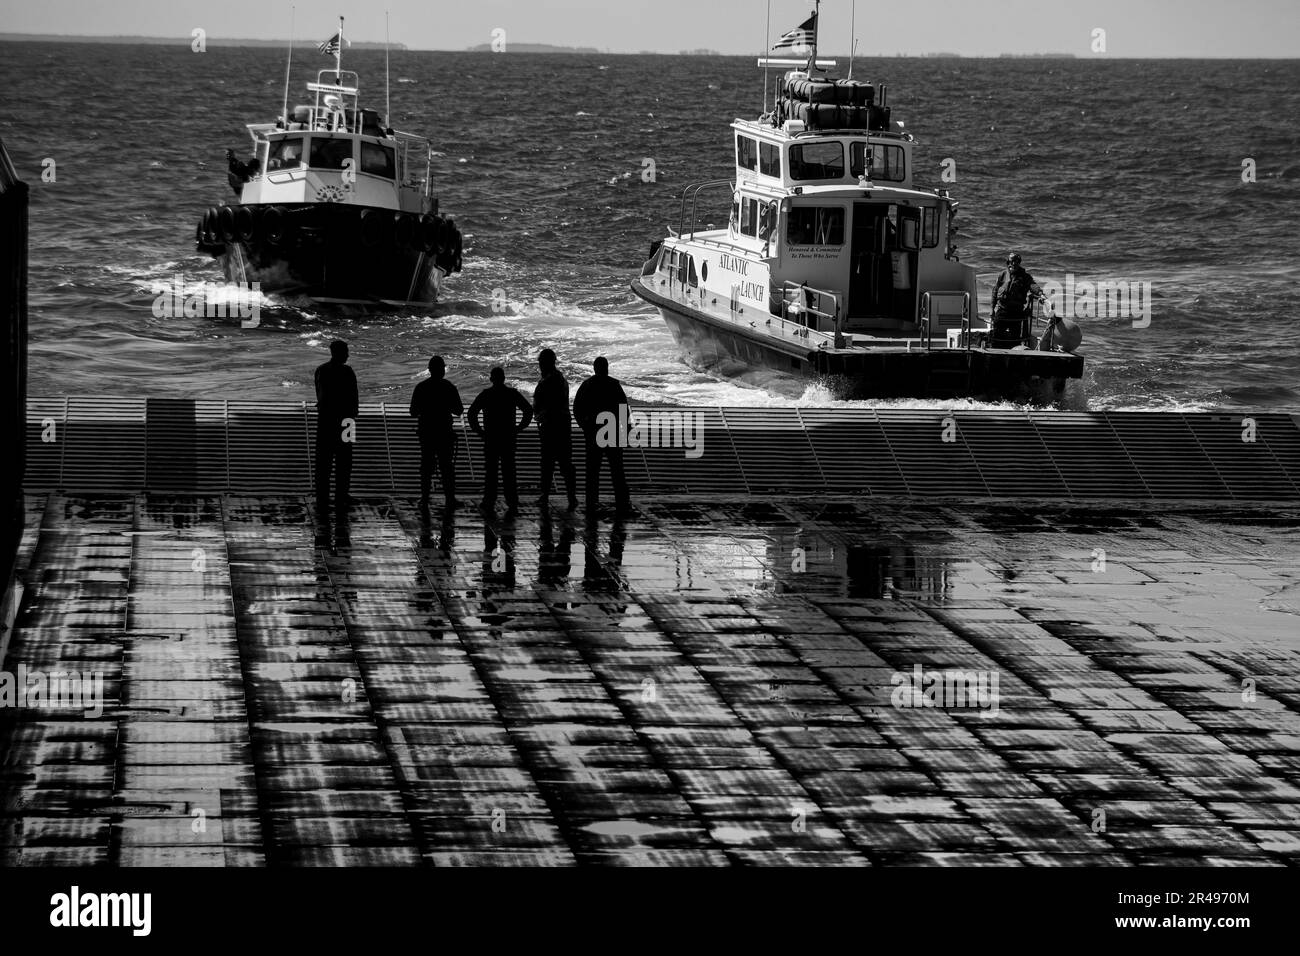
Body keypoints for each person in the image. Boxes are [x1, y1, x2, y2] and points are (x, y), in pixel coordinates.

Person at [467, 367, 533, 516]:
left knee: (491, 471)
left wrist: (480, 431)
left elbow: (472, 414)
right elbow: (528, 410)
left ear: (491, 379)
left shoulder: (486, 394)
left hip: (491, 438)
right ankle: (512, 501)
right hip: (508, 437)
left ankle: (489, 499)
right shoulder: (512, 394)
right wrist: (519, 428)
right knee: (509, 471)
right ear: (504, 378)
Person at [572, 356, 631, 513]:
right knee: (617, 470)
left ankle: (591, 503)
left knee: (592, 471)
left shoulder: (587, 385)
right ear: (606, 368)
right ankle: (623, 502)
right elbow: (623, 409)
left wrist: (585, 427)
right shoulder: (614, 384)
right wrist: (626, 431)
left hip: (594, 432)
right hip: (612, 432)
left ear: (594, 368)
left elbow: (577, 409)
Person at [409, 355, 463, 510]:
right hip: (444, 432)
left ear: (429, 370)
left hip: (427, 432)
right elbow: (458, 410)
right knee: (446, 466)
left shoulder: (421, 387)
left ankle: (424, 498)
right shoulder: (449, 387)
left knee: (426, 466)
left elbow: (413, 412)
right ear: (443, 370)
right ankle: (450, 499)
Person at [532, 348, 579, 511]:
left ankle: (545, 495)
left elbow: (540, 405)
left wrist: (540, 415)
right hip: (563, 427)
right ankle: (571, 496)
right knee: (565, 463)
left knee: (547, 463)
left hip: (551, 427)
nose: (539, 366)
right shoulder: (561, 380)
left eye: (541, 363)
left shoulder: (547, 382)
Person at [314, 340, 359, 510]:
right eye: (346, 352)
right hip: (347, 422)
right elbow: (354, 399)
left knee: (323, 461)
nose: (348, 355)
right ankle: (342, 494)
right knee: (345, 460)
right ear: (339, 353)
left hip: (326, 421)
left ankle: (322, 497)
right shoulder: (348, 372)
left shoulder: (322, 370)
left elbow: (321, 396)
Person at [991, 252, 1045, 343]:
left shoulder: (1024, 277)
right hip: (1002, 310)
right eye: (1011, 261)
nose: (1013, 264)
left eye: (1016, 261)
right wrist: (992, 308)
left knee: (1015, 339)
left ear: (1019, 263)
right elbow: (995, 292)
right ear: (1008, 262)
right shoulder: (1003, 275)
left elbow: (1033, 286)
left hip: (1016, 312)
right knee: (996, 337)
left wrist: (1040, 294)